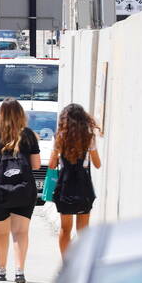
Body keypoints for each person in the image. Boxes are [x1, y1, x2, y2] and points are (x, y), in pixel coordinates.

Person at [0, 98, 41, 283]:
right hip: (24, 190)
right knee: (21, 232)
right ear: (21, 114)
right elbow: (36, 165)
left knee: (1, 232)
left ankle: (1, 270)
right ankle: (19, 272)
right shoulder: (28, 135)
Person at [47, 103, 101, 257]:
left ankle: (66, 265)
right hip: (83, 186)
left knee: (65, 229)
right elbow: (97, 164)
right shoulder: (89, 137)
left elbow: (51, 165)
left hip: (65, 186)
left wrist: (58, 155)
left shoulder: (59, 138)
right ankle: (81, 264)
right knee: (83, 231)